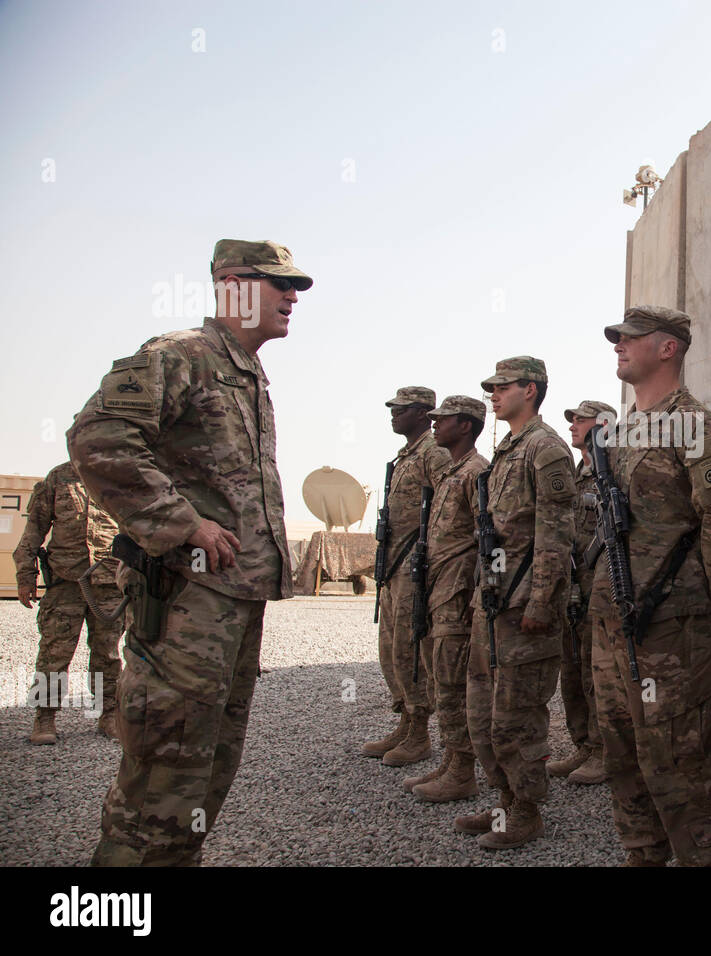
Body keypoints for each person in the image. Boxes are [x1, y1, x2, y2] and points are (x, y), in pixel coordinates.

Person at [67, 238, 311, 866]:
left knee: (207, 768)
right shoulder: (180, 356)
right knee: (162, 776)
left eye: (295, 287)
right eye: (277, 283)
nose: (291, 297)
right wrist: (182, 524)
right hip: (183, 604)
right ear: (230, 283)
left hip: (231, 602)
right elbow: (99, 437)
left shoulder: (245, 373)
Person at [590, 306, 711, 866]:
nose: (619, 345)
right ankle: (643, 853)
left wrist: (691, 596)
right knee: (622, 750)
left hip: (667, 629)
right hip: (611, 621)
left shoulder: (697, 426)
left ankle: (707, 858)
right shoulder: (617, 433)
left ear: (668, 349)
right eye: (616, 338)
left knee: (680, 755)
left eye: (631, 338)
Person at [454, 357, 576, 849]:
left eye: (502, 386)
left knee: (517, 719)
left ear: (531, 389)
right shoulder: (506, 449)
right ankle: (504, 799)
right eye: (490, 387)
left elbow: (556, 534)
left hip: (526, 609)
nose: (493, 394)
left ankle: (526, 811)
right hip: (495, 606)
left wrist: (542, 603)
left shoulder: (545, 450)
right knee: (481, 714)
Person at [402, 395, 490, 803]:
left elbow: (486, 536)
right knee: (437, 674)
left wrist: (468, 584)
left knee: (453, 679)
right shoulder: (452, 471)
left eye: (444, 420)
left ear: (467, 426)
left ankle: (462, 770)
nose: (435, 425)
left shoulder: (476, 472)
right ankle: (452, 758)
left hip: (457, 590)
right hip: (437, 586)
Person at [362, 387, 451, 766]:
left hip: (415, 565)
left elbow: (448, 506)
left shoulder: (434, 453)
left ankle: (420, 732)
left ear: (422, 413)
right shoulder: (406, 456)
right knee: (391, 647)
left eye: (401, 410)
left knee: (412, 649)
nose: (393, 415)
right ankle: (404, 719)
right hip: (394, 565)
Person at [13, 460, 123, 742]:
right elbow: (34, 528)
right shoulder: (59, 477)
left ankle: (108, 714)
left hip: (109, 583)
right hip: (66, 582)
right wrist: (26, 574)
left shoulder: (119, 475)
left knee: (107, 655)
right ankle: (45, 718)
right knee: (54, 654)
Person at [547, 399, 617, 786]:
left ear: (603, 424)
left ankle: (605, 750)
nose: (572, 424)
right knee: (571, 668)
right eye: (571, 419)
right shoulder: (576, 474)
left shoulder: (614, 468)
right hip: (572, 586)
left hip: (600, 587)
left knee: (596, 671)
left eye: (580, 418)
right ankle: (584, 745)